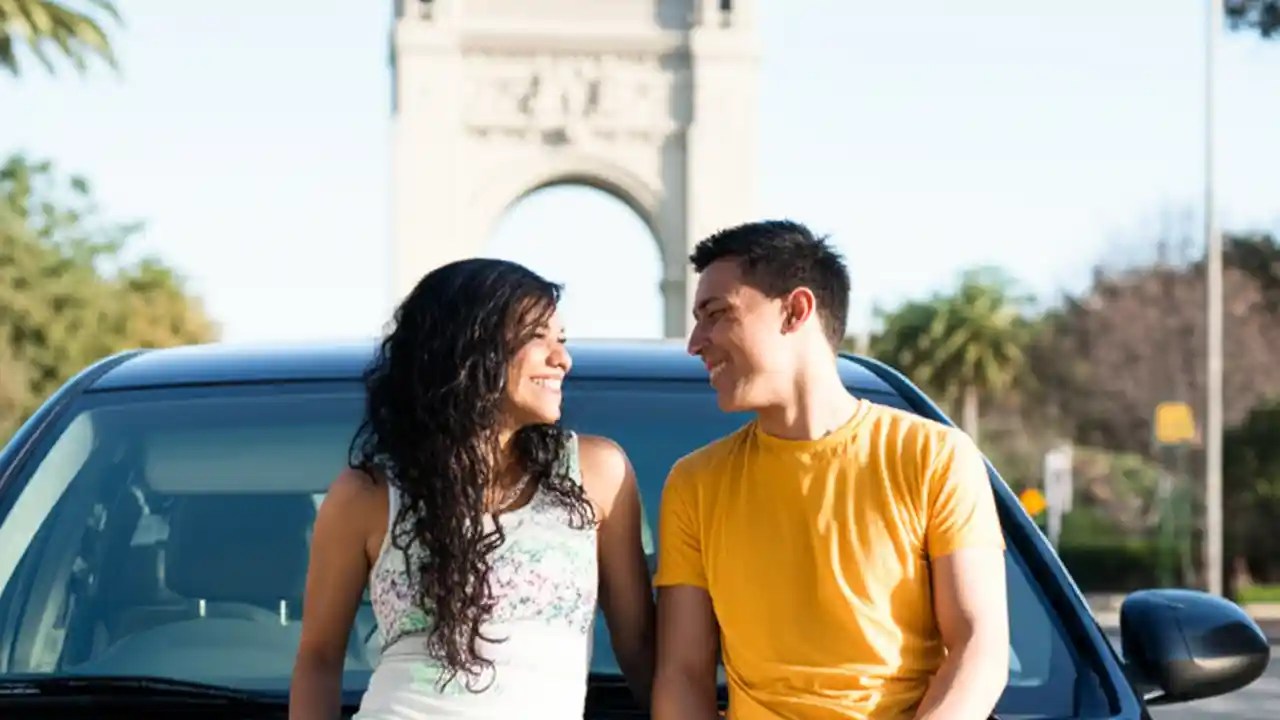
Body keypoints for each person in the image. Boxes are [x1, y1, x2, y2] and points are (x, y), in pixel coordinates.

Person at [651, 220, 1009, 720]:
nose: (696, 342)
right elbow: (682, 674)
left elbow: (980, 649)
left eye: (716, 314)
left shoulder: (934, 456)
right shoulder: (695, 482)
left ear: (796, 310)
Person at [290, 258, 656, 720]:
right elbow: (319, 658)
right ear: (467, 349)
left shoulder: (597, 475)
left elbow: (641, 647)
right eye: (536, 338)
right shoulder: (368, 495)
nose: (562, 359)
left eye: (560, 341)